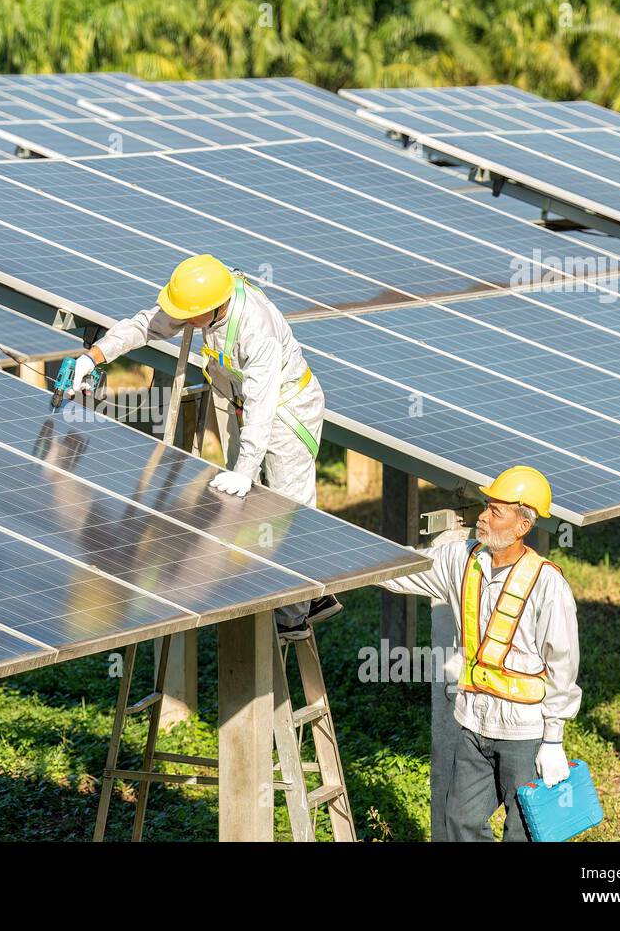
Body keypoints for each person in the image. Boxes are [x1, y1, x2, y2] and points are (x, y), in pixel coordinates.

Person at [68, 253, 328, 635]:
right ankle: (269, 586)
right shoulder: (202, 303)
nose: (185, 321)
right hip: (242, 403)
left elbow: (263, 405)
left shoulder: (258, 329)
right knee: (246, 503)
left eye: (190, 315)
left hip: (288, 411)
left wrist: (245, 468)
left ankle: (297, 611)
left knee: (288, 507)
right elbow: (147, 325)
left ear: (213, 306)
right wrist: (95, 356)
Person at [376, 466, 581, 841]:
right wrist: (352, 560)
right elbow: (404, 568)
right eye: (486, 507)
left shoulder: (547, 584)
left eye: (495, 512)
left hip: (524, 730)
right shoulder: (461, 559)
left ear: (522, 526)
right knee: (459, 821)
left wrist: (554, 738)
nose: (483, 518)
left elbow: (563, 666)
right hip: (472, 722)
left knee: (524, 830)